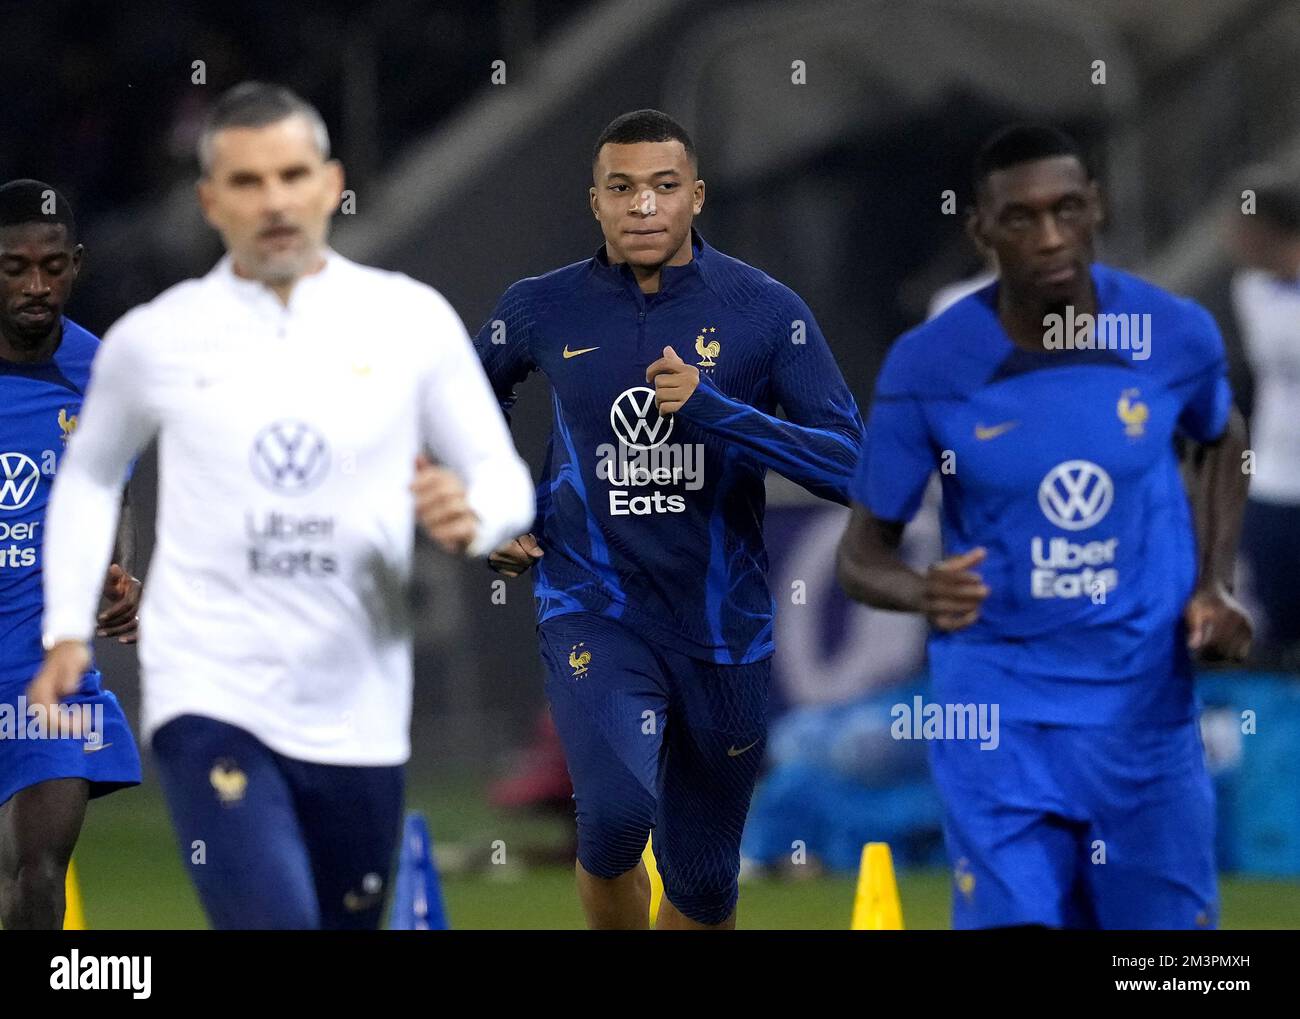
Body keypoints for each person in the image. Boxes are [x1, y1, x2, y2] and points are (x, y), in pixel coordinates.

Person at [28, 83, 534, 930]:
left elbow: (500, 474)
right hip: (211, 692)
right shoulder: (155, 339)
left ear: (331, 181)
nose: (274, 201)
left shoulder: (409, 321)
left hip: (359, 709)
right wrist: (67, 630)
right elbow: (88, 476)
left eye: (292, 174)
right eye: (247, 181)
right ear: (209, 200)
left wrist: (476, 517)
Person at [837, 125, 1252, 929]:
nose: (1051, 236)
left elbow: (1221, 435)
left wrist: (1213, 582)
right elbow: (862, 556)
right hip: (998, 715)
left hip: (1144, 713)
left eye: (1067, 209)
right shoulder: (929, 366)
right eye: (1021, 218)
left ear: (1096, 207)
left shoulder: (1174, 335)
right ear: (983, 230)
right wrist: (924, 590)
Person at [477, 109, 864, 929]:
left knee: (702, 882)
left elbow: (855, 468)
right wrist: (493, 512)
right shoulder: (543, 308)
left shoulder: (766, 311)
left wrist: (717, 410)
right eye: (622, 188)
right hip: (594, 608)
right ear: (595, 202)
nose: (642, 206)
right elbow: (460, 400)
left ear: (696, 196)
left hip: (725, 629)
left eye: (662, 187)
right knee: (614, 819)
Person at [0, 179, 142, 930]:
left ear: (76, 264)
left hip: (44, 677)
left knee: (37, 875)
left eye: (52, 267)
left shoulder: (102, 375)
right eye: (14, 266)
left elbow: (110, 496)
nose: (35, 284)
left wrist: (118, 573)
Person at [1224, 174, 1300, 659]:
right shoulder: (1249, 289)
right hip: (1275, 481)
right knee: (1277, 624)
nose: (1229, 241)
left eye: (1238, 228)